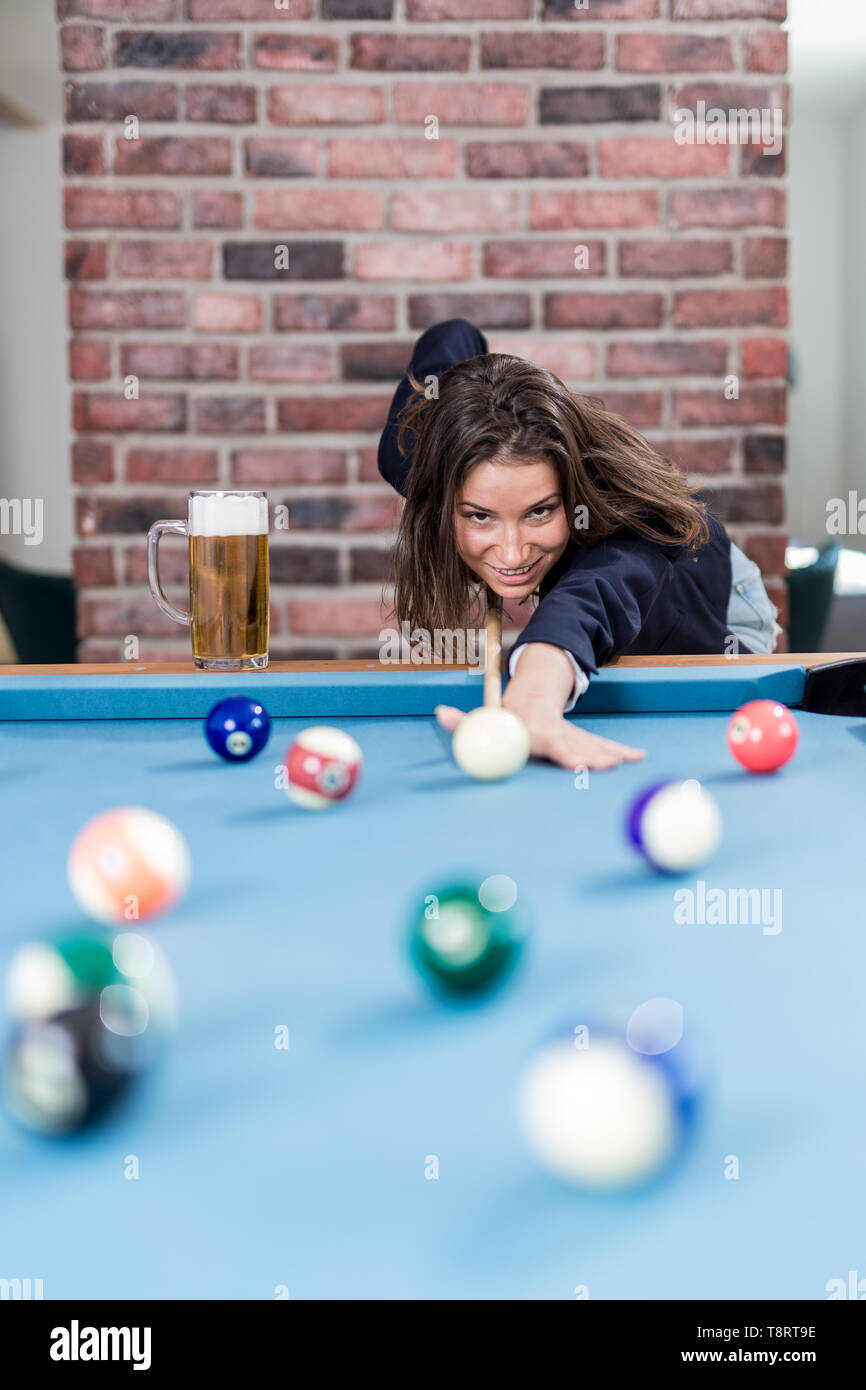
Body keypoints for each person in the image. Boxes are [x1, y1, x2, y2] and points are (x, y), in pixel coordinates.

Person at [378, 319, 781, 772]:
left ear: (570, 495)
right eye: (479, 516)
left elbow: (590, 598)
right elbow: (452, 335)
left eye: (539, 511)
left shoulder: (627, 532)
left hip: (707, 595)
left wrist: (531, 698)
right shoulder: (417, 455)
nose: (511, 555)